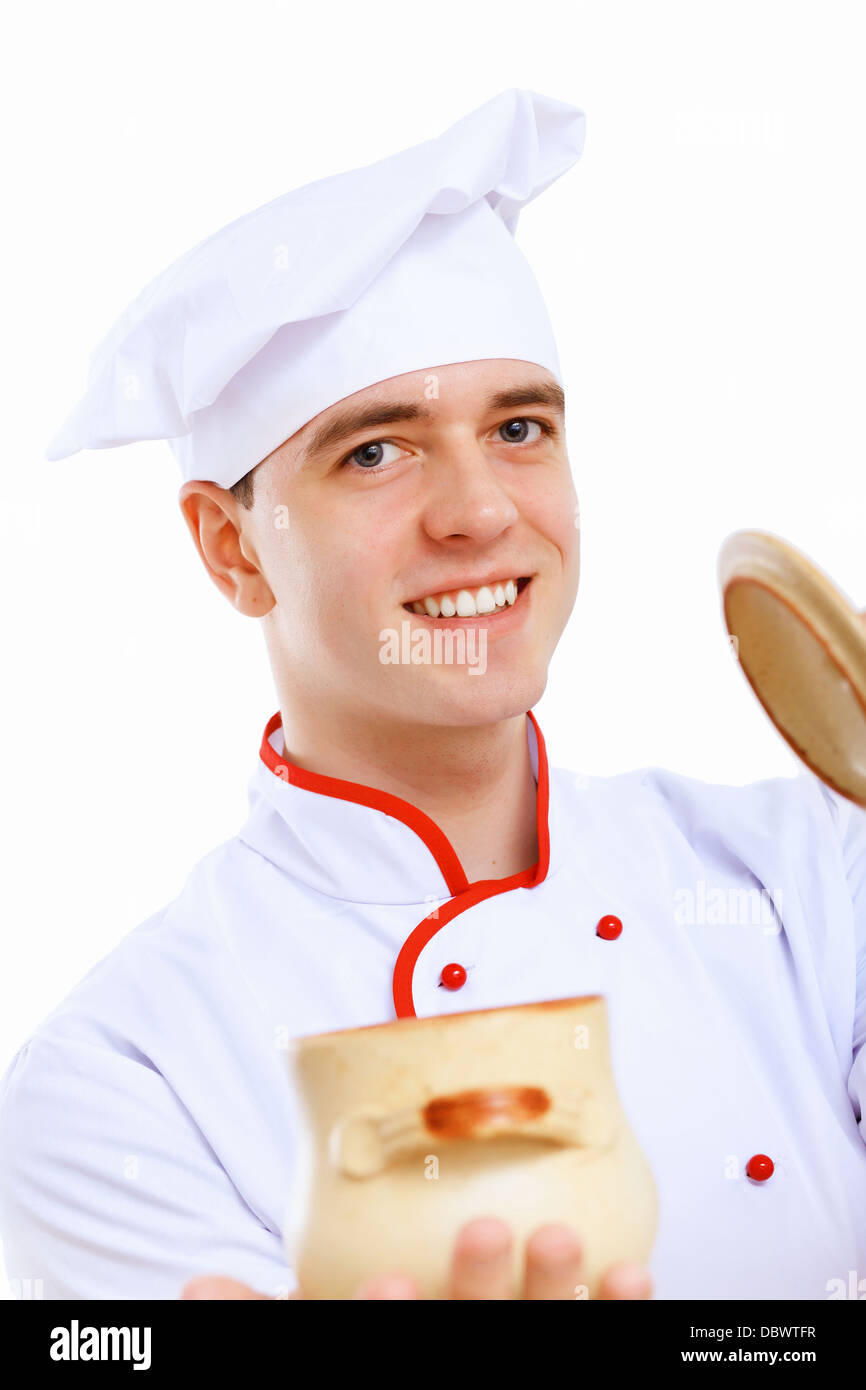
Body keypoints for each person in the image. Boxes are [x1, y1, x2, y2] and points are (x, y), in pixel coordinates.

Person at [2, 88, 865, 1303]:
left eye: (519, 427)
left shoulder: (813, 879)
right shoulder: (123, 1083)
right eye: (375, 450)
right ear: (230, 548)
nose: (478, 510)